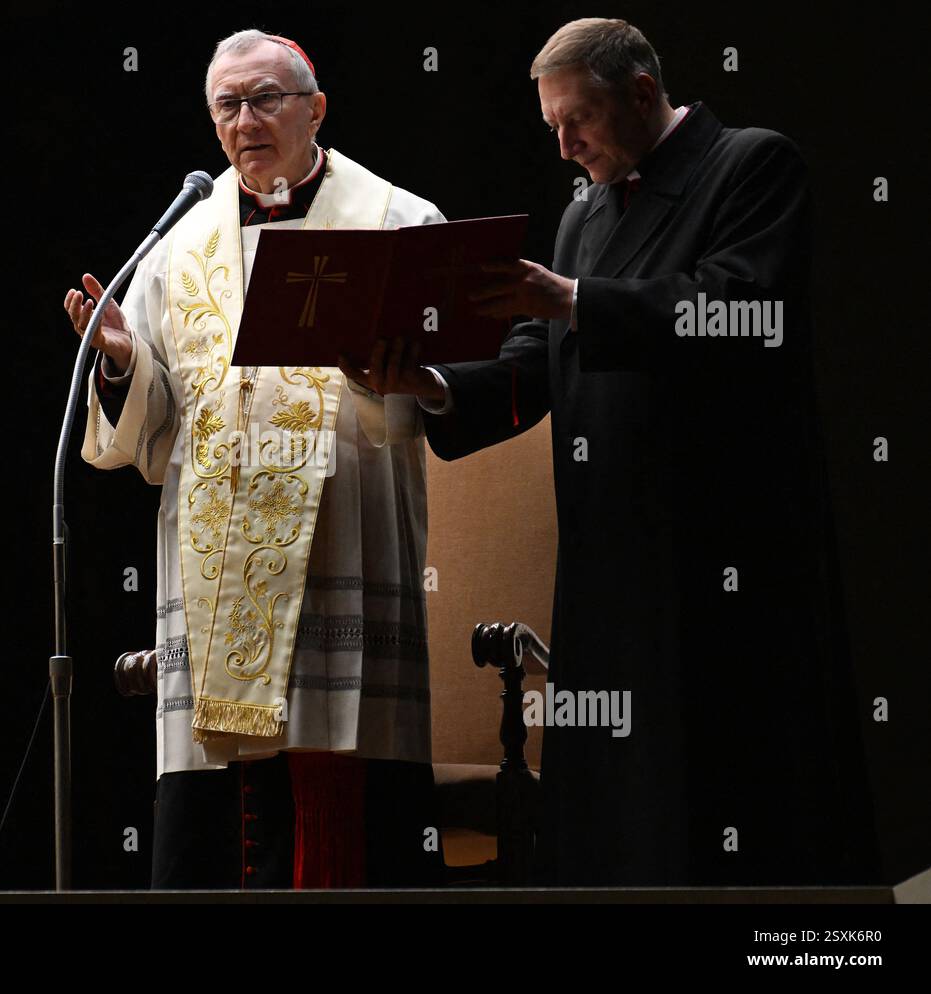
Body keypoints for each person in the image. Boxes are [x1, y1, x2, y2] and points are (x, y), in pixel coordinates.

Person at [341, 17, 880, 887]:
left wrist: (581, 300)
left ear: (640, 91)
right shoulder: (585, 214)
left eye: (578, 120)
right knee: (622, 822)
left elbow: (744, 313)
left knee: (733, 798)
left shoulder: (751, 164)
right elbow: (537, 366)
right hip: (611, 563)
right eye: (551, 126)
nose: (565, 145)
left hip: (725, 558)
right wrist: (428, 385)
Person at [65, 29, 446, 889]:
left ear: (315, 109)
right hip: (218, 567)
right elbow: (154, 433)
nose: (247, 119)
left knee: (347, 793)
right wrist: (125, 362)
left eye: (267, 98)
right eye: (228, 105)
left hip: (346, 537)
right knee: (217, 821)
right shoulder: (176, 247)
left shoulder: (396, 221)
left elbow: (445, 377)